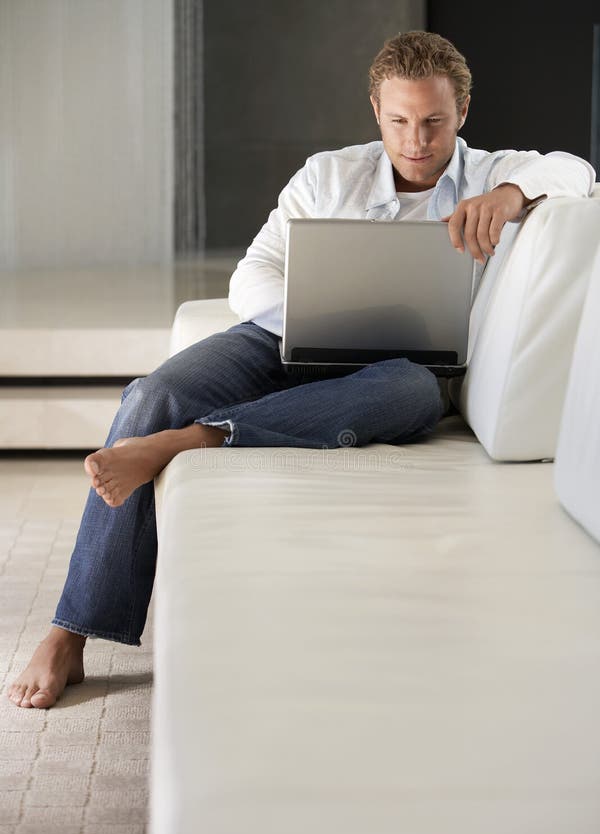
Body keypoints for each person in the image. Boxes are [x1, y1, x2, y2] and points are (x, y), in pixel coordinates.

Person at [8, 30, 594, 709]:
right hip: (285, 341)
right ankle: (69, 633)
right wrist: (314, 320)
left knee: (411, 393)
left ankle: (196, 439)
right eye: (399, 120)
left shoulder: (497, 172)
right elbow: (251, 272)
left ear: (461, 111)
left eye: (434, 121)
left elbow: (577, 172)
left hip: (399, 373)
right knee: (151, 393)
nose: (416, 140)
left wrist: (515, 193)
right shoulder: (328, 175)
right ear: (376, 109)